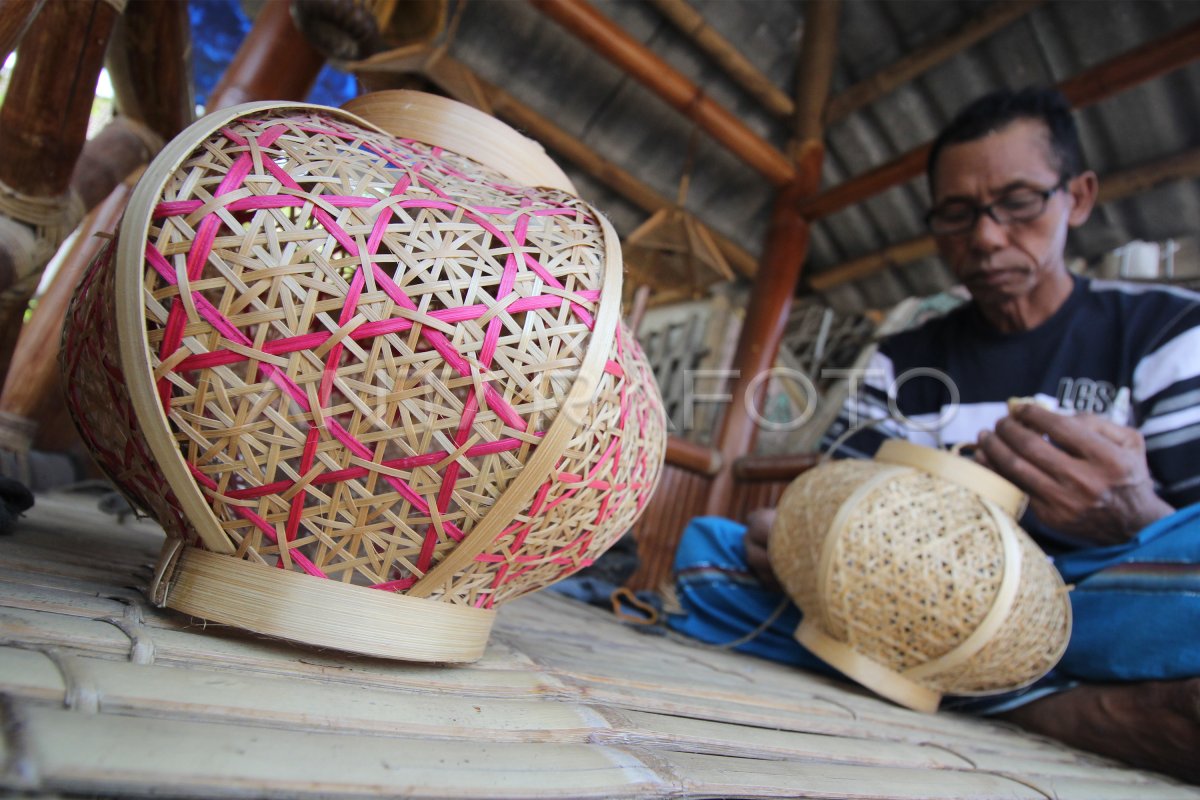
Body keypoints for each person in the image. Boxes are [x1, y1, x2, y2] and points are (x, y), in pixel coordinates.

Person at [666, 86, 1200, 783]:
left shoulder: (1167, 331)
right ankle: (1044, 708)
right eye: (956, 214)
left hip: (1089, 598)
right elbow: (839, 489)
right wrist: (803, 533)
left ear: (1078, 197)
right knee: (713, 555)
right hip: (914, 612)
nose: (984, 236)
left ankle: (973, 689)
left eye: (1018, 203)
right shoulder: (904, 359)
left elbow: (1181, 550)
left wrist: (1133, 516)